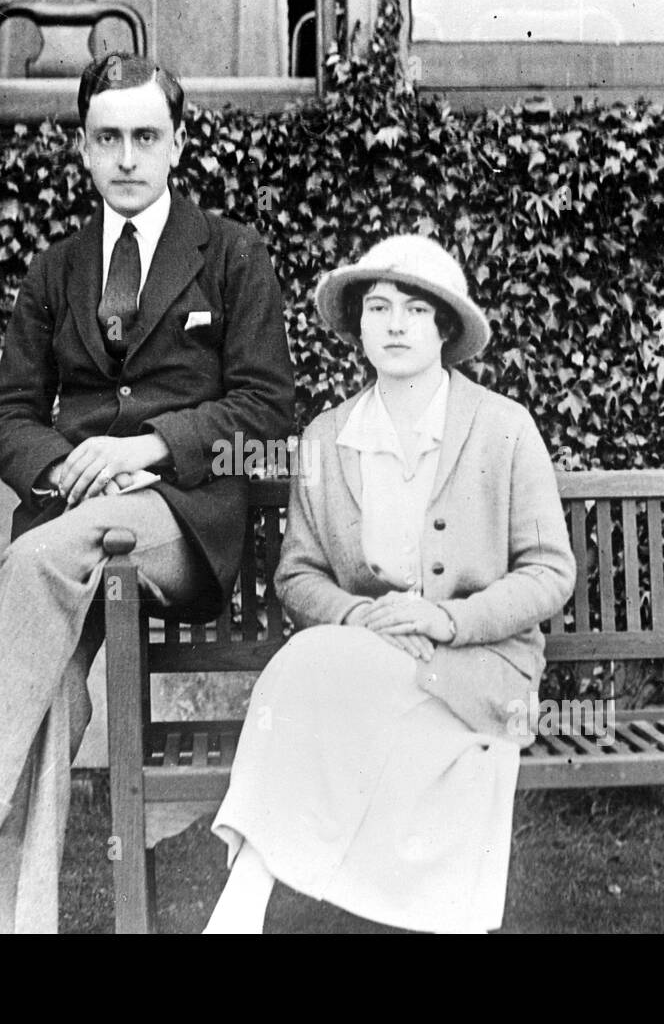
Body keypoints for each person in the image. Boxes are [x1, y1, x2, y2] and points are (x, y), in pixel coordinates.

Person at [0, 53, 295, 934]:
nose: (128, 156)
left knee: (34, 561)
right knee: (49, 683)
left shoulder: (234, 255)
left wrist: (146, 450)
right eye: (110, 139)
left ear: (177, 143)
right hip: (70, 533)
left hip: (183, 523)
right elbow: (8, 413)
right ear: (84, 150)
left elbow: (266, 411)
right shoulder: (58, 268)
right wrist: (68, 468)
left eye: (146, 136)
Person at [205, 234, 577, 934]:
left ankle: (245, 894)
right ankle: (247, 898)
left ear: (444, 326)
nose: (397, 324)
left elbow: (551, 571)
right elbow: (298, 571)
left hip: (480, 668)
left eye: (414, 308)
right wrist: (355, 615)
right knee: (318, 660)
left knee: (306, 665)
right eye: (378, 308)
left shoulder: (504, 428)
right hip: (364, 659)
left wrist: (448, 621)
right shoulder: (327, 438)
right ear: (360, 329)